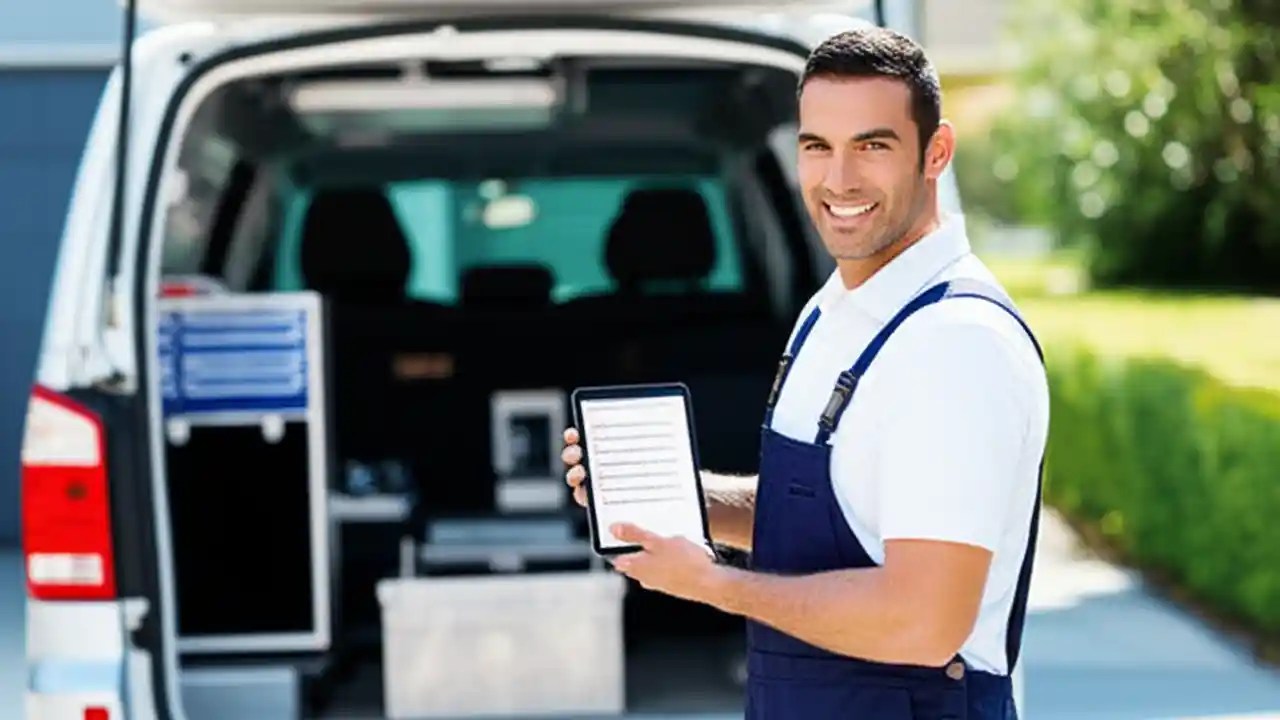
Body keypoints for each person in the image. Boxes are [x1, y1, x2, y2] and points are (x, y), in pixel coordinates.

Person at [562, 26, 1049, 720]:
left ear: (936, 153)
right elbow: (832, 515)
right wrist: (677, 500)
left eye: (872, 146)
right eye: (817, 147)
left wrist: (710, 584)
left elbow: (924, 621)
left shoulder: (956, 345)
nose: (839, 180)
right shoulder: (831, 311)